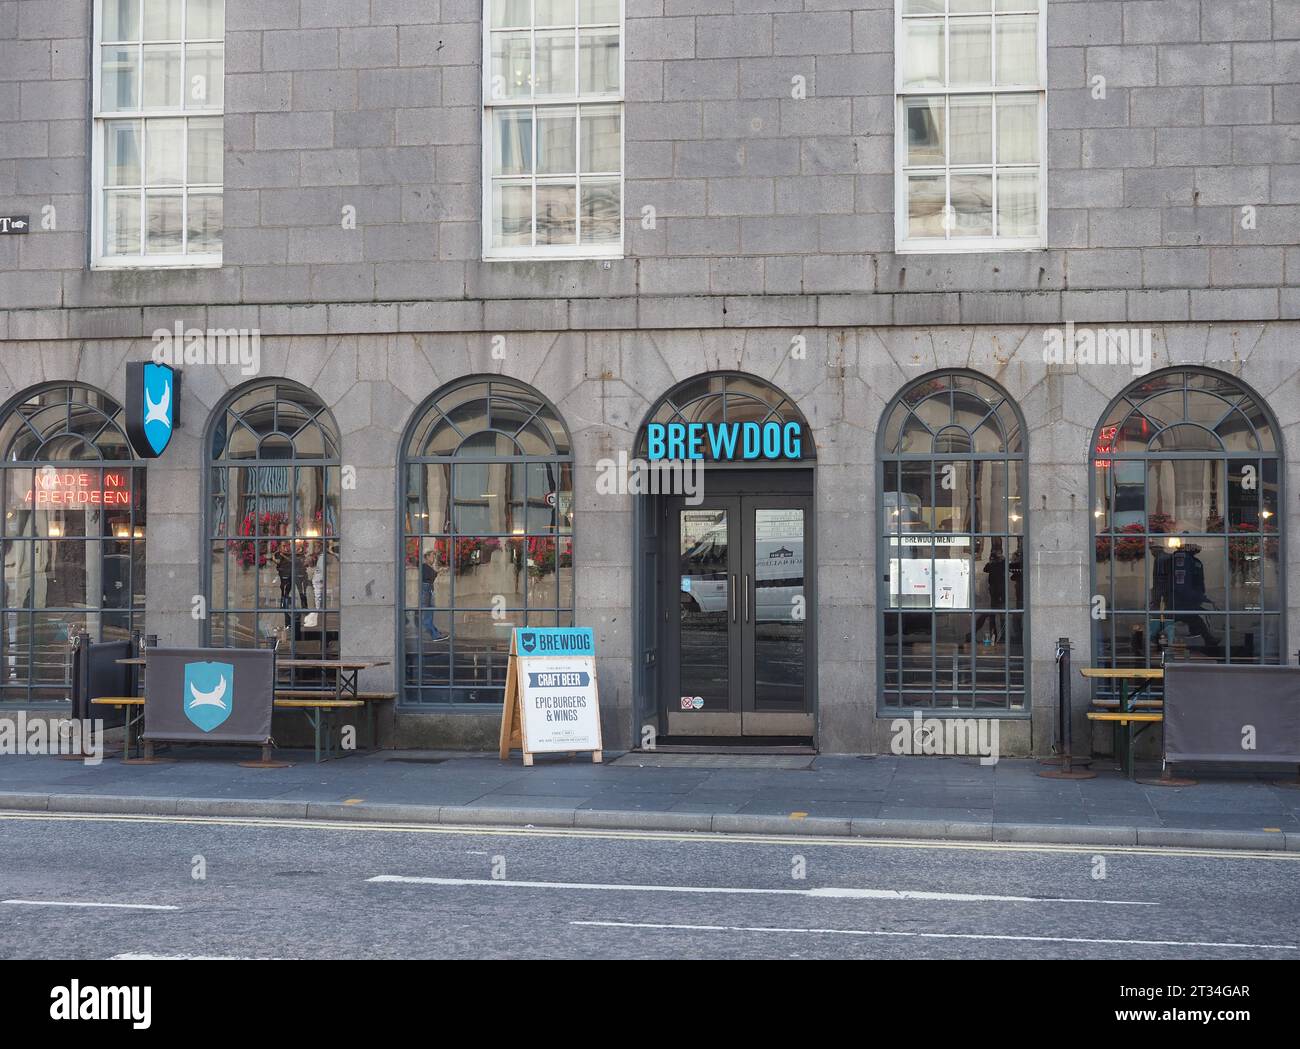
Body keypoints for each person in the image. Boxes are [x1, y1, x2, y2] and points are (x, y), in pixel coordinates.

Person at [420, 549, 448, 642]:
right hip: (426, 590)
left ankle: (435, 633)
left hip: (429, 589)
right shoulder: (424, 567)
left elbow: (431, 577)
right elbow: (428, 578)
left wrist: (439, 571)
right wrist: (438, 571)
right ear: (427, 557)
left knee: (430, 612)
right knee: (427, 613)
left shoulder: (427, 567)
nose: (434, 558)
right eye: (432, 556)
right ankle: (434, 635)